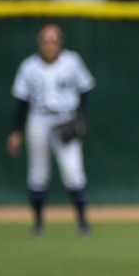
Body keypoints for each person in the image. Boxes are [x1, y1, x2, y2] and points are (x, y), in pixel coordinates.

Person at [7, 22, 95, 237]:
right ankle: (38, 224)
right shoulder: (29, 66)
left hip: (66, 118)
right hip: (39, 118)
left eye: (53, 39)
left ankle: (83, 224)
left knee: (73, 171)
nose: (49, 44)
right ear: (39, 43)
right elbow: (22, 101)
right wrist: (16, 131)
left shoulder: (71, 62)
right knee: (38, 172)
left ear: (60, 42)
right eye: (45, 39)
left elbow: (85, 90)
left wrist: (80, 117)